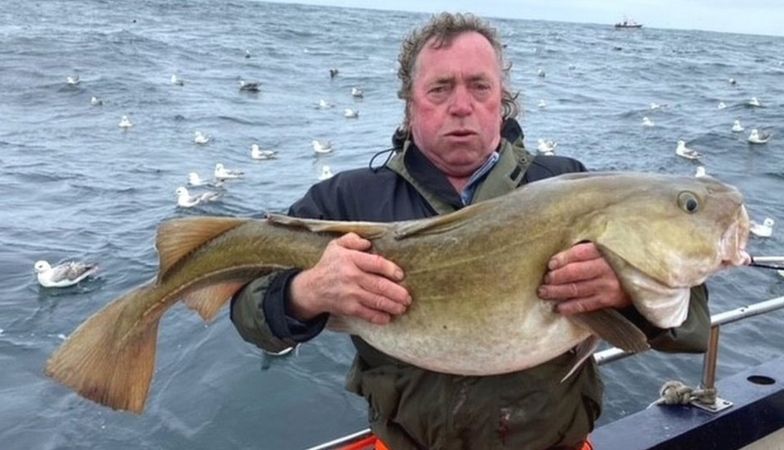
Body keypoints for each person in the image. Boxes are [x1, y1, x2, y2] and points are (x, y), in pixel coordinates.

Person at [230, 12, 710, 450]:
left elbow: (691, 328)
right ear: (410, 103)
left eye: (479, 87)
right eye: (440, 88)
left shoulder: (572, 188)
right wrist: (304, 293)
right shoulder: (346, 202)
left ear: (502, 100)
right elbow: (251, 318)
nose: (461, 106)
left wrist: (625, 292)